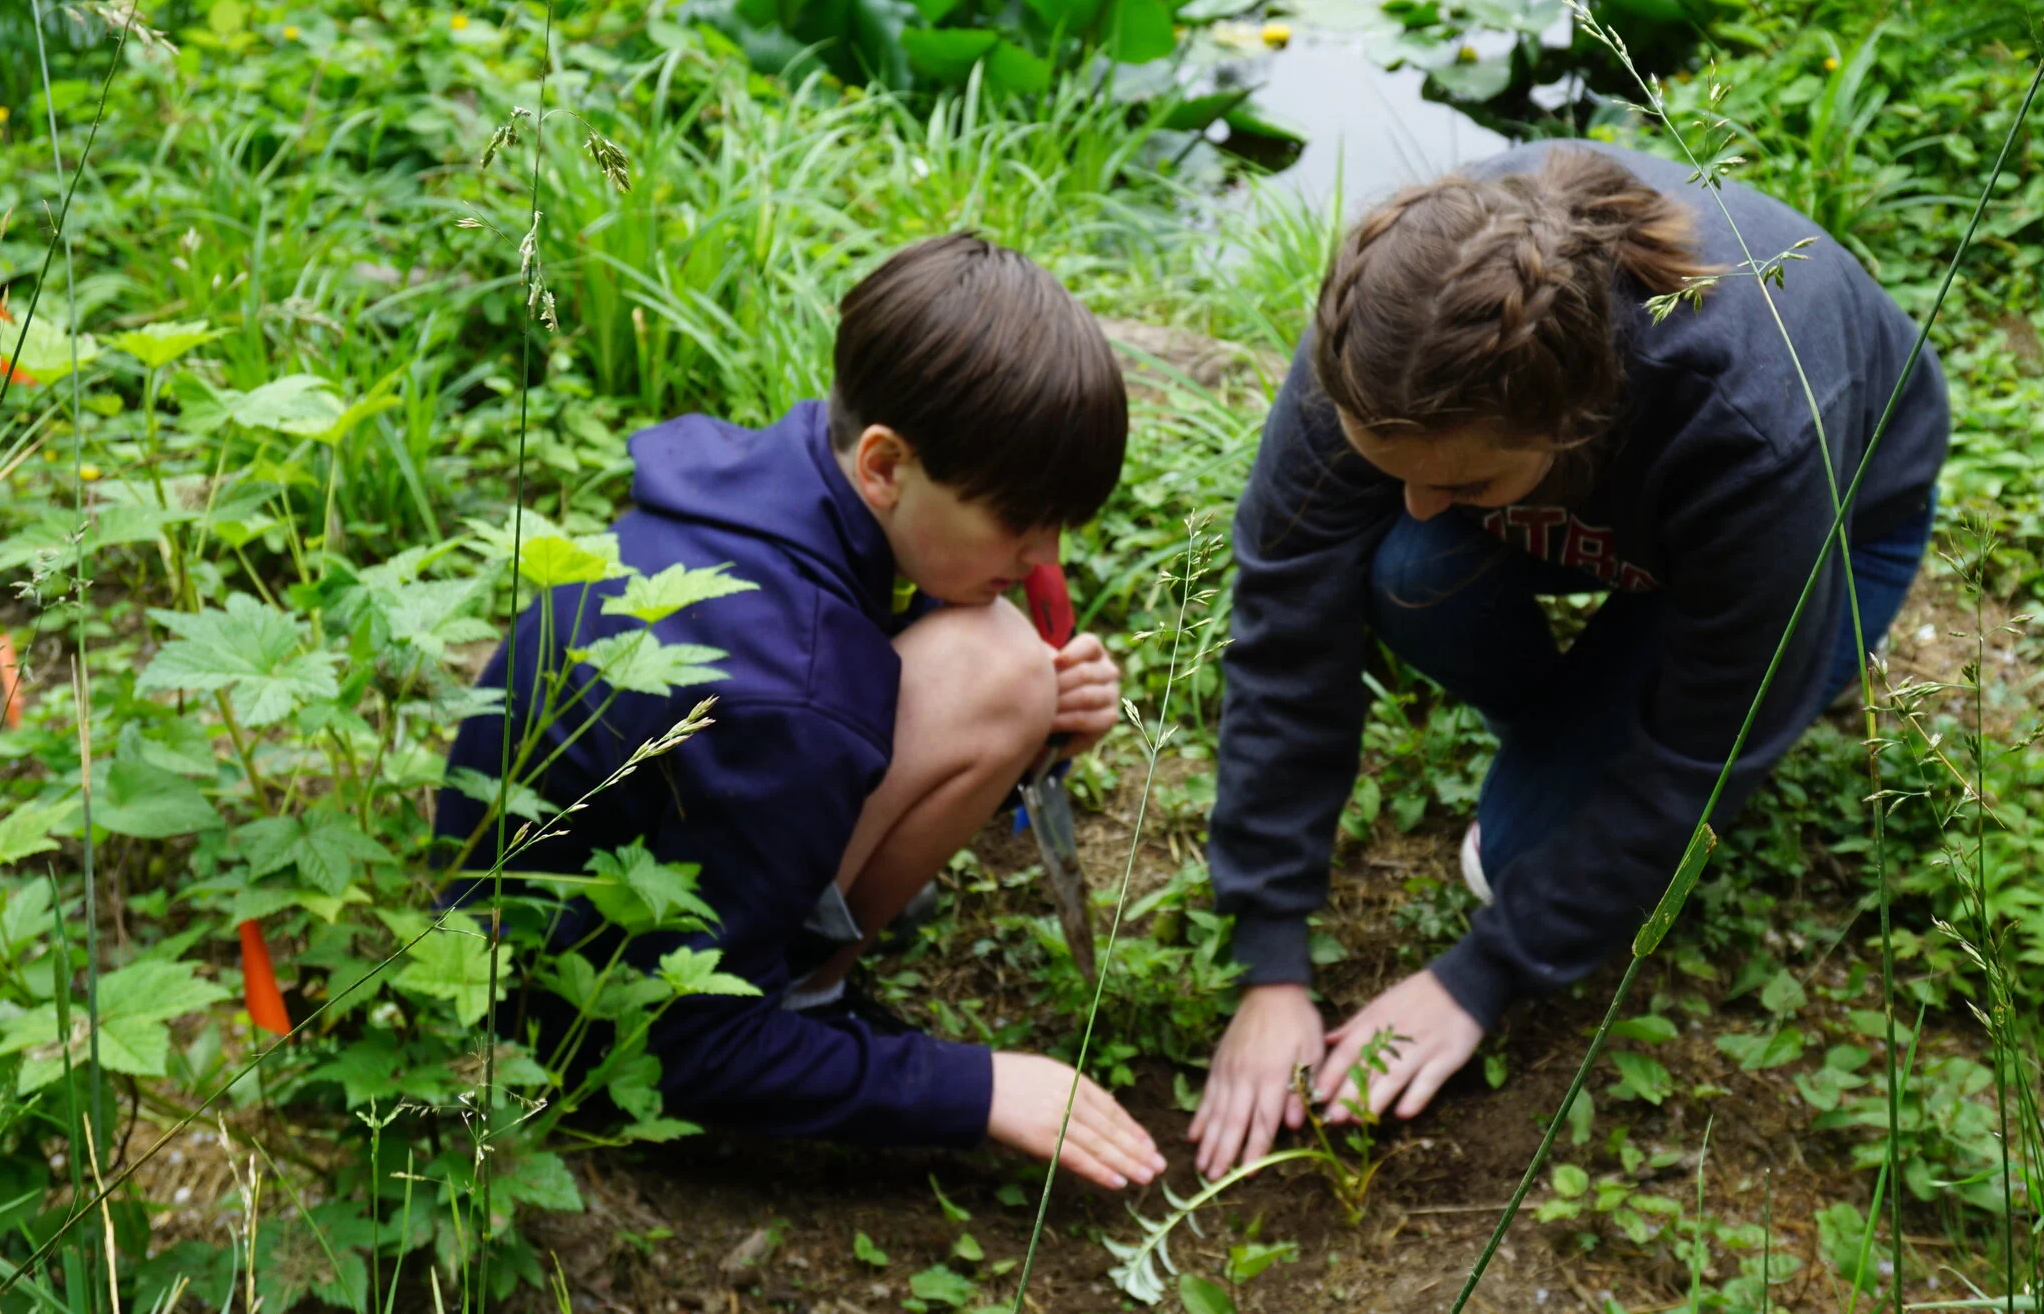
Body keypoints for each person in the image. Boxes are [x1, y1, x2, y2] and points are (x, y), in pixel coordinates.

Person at [1189, 141, 1948, 1179]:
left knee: (1516, 862)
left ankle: (1589, 727)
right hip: (1604, 509)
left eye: (1457, 481)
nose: (1413, 498)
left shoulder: (1747, 424)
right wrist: (1269, 958)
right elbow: (1286, 620)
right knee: (1408, 564)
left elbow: (1704, 745)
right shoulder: (1387, 338)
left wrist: (1479, 975)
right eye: (1387, 465)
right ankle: (1576, 717)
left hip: (1844, 524)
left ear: (1574, 418)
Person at [437, 233, 1163, 1191]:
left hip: (523, 895)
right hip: (564, 1021)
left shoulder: (764, 484)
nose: (1042, 558)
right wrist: (974, 1086)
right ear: (885, 465)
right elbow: (688, 1049)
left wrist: (1043, 731)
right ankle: (810, 1000)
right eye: (1017, 520)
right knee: (997, 659)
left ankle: (802, 954)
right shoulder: (798, 692)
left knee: (1009, 663)